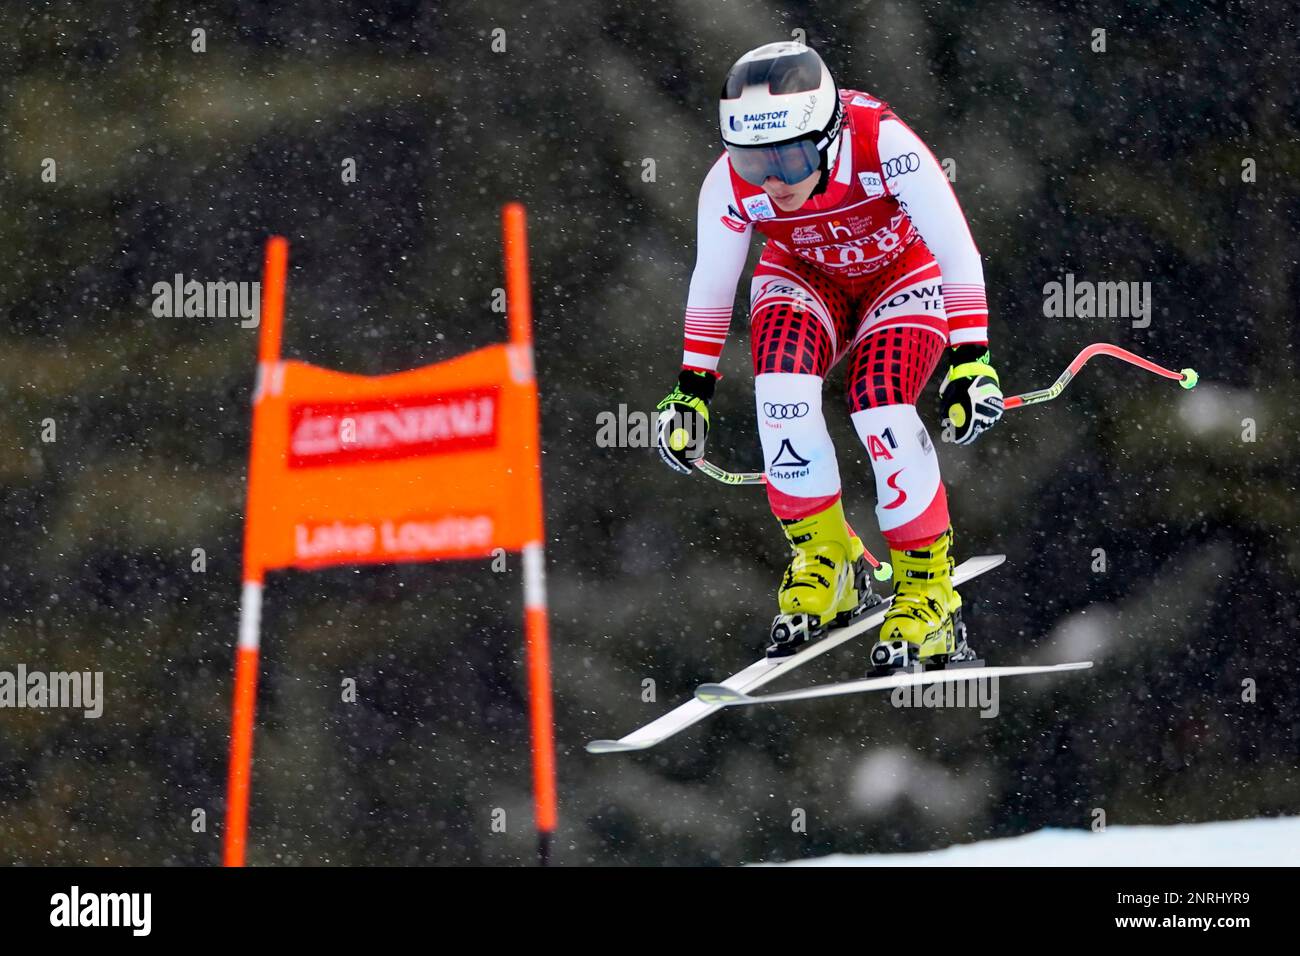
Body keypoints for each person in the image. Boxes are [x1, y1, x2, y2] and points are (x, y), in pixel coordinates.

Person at [655, 41, 1004, 671]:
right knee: (779, 388)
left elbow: (956, 250)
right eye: (749, 158)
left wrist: (970, 357)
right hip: (805, 276)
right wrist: (692, 388)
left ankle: (928, 593)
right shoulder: (731, 185)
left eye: (788, 157)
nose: (770, 181)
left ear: (828, 133)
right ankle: (826, 560)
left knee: (880, 402)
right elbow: (712, 281)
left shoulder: (883, 145)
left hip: (900, 274)